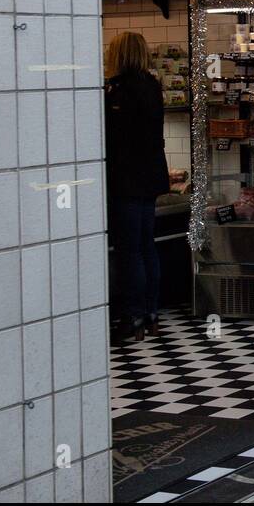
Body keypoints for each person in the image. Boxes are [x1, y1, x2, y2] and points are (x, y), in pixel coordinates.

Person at [104, 31, 170, 344]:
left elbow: (113, 139)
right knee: (147, 245)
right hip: (151, 176)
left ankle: (131, 317)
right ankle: (151, 312)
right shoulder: (153, 85)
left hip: (126, 179)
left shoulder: (117, 90)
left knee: (129, 250)